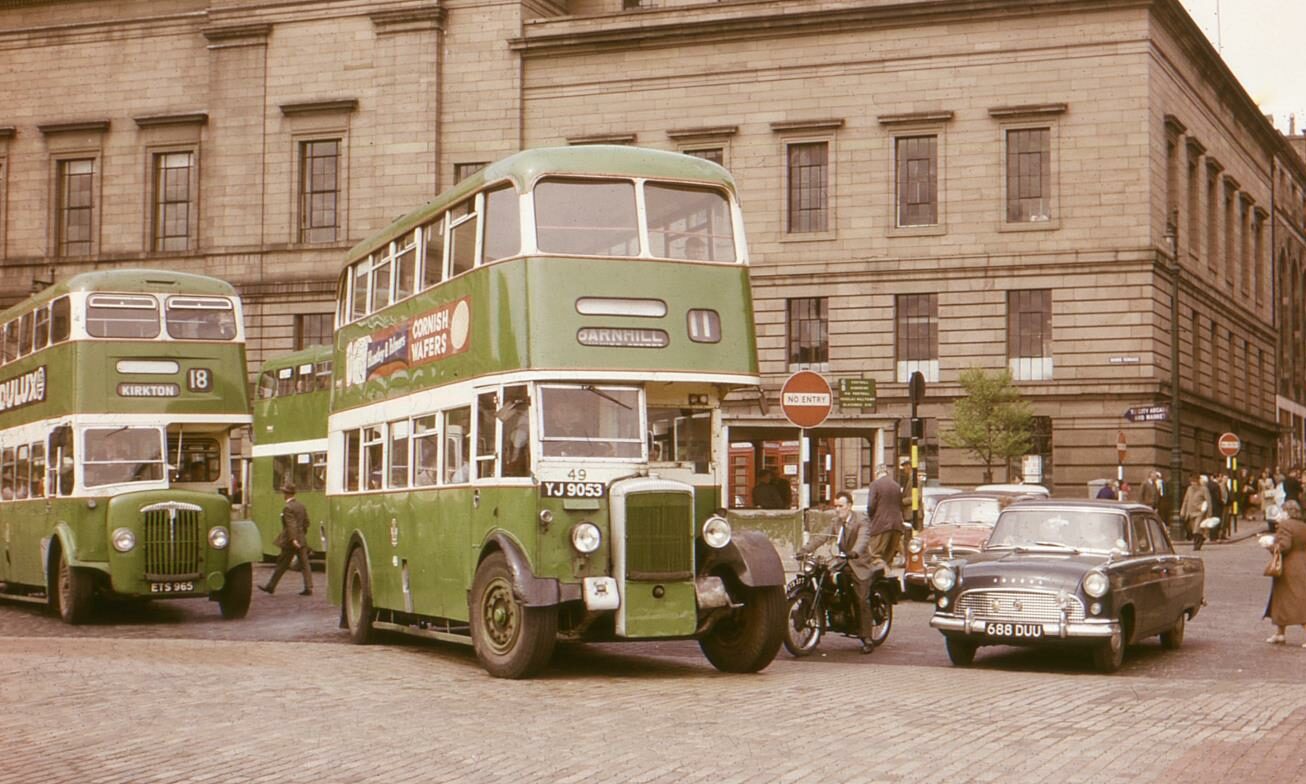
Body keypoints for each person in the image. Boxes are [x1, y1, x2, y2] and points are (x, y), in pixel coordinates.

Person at [798, 490, 878, 653]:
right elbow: (822, 537)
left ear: (849, 506)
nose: (837, 509)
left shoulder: (861, 520)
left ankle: (867, 637)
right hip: (842, 560)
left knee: (862, 598)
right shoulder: (836, 522)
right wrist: (804, 550)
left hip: (858, 562)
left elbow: (863, 539)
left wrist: (854, 552)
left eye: (840, 506)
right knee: (823, 577)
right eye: (835, 506)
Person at [1263, 500, 1306, 645]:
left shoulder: (1285, 525)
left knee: (1296, 600)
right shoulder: (1302, 525)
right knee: (1281, 598)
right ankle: (1280, 633)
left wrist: (1270, 546)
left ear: (1287, 511)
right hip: (1302, 564)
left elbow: (1285, 546)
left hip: (1288, 566)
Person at [260, 483, 313, 596]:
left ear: (286, 494)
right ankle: (309, 587)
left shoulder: (287, 508)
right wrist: (301, 535)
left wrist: (294, 539)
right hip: (302, 539)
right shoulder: (301, 506)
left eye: (284, 492)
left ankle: (271, 586)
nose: (283, 495)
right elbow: (307, 522)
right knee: (304, 564)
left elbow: (291, 525)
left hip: (290, 541)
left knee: (282, 564)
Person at [865, 465, 905, 567]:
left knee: (875, 555)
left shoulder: (875, 485)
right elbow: (901, 505)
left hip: (881, 525)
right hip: (896, 526)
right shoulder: (896, 486)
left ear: (877, 473)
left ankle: (877, 580)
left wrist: (872, 518)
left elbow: (870, 506)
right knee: (888, 558)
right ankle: (887, 579)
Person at [1179, 473, 1211, 549]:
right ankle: (1201, 539)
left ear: (1197, 481)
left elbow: (1208, 501)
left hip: (1200, 512)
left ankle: (1196, 545)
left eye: (1194, 482)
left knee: (1196, 529)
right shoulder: (1189, 489)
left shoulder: (1204, 489)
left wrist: (1209, 513)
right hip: (1190, 512)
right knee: (1194, 529)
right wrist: (1182, 511)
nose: (1192, 483)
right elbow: (1185, 501)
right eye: (1191, 482)